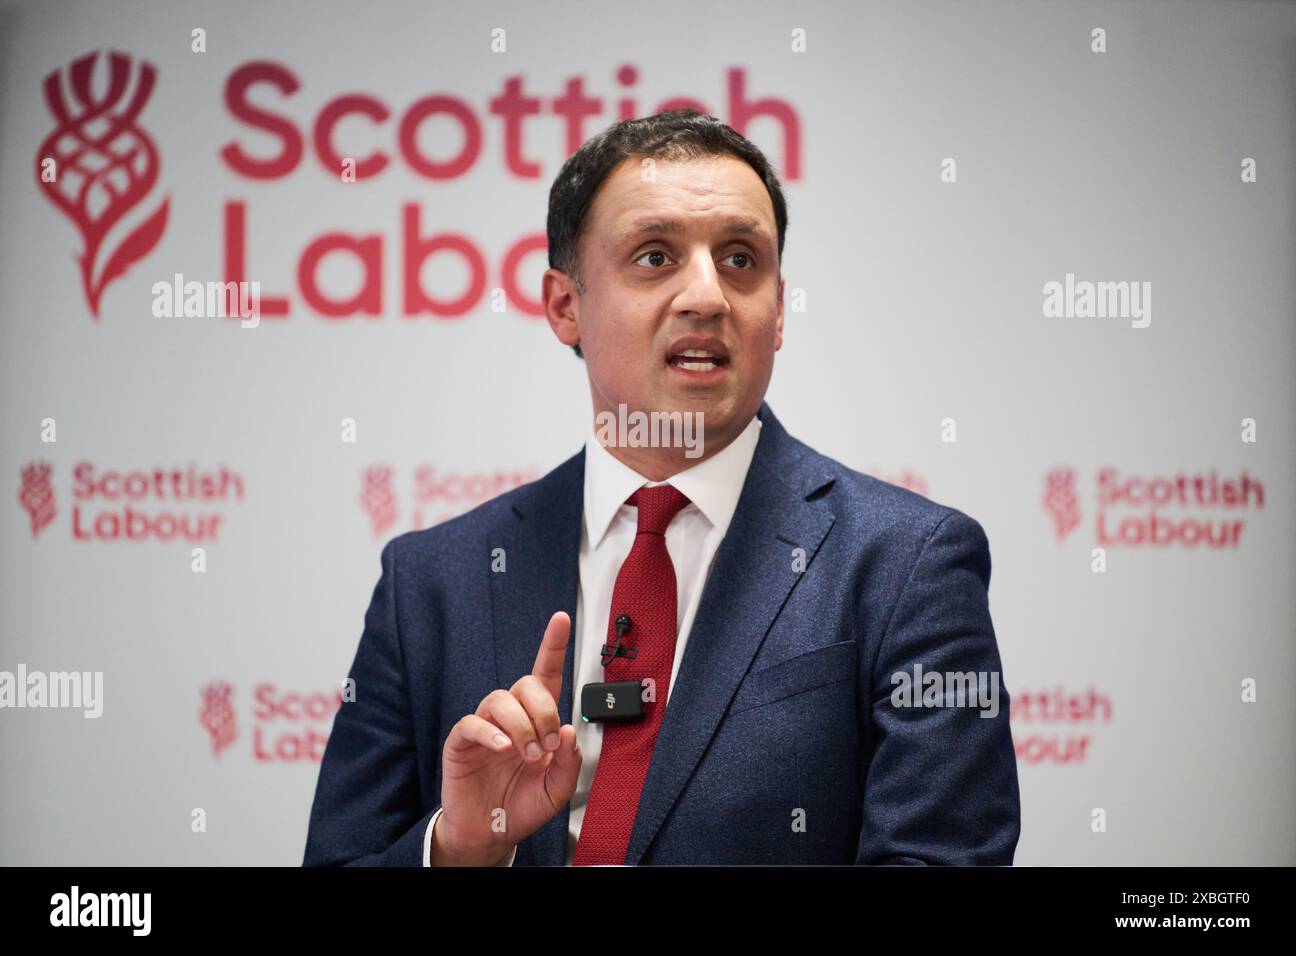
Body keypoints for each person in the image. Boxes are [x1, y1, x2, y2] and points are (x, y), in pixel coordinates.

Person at [303, 109, 1020, 866]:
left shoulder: (910, 564)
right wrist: (460, 849)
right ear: (563, 306)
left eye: (742, 259)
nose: (707, 296)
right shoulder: (429, 581)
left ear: (778, 312)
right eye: (654, 257)